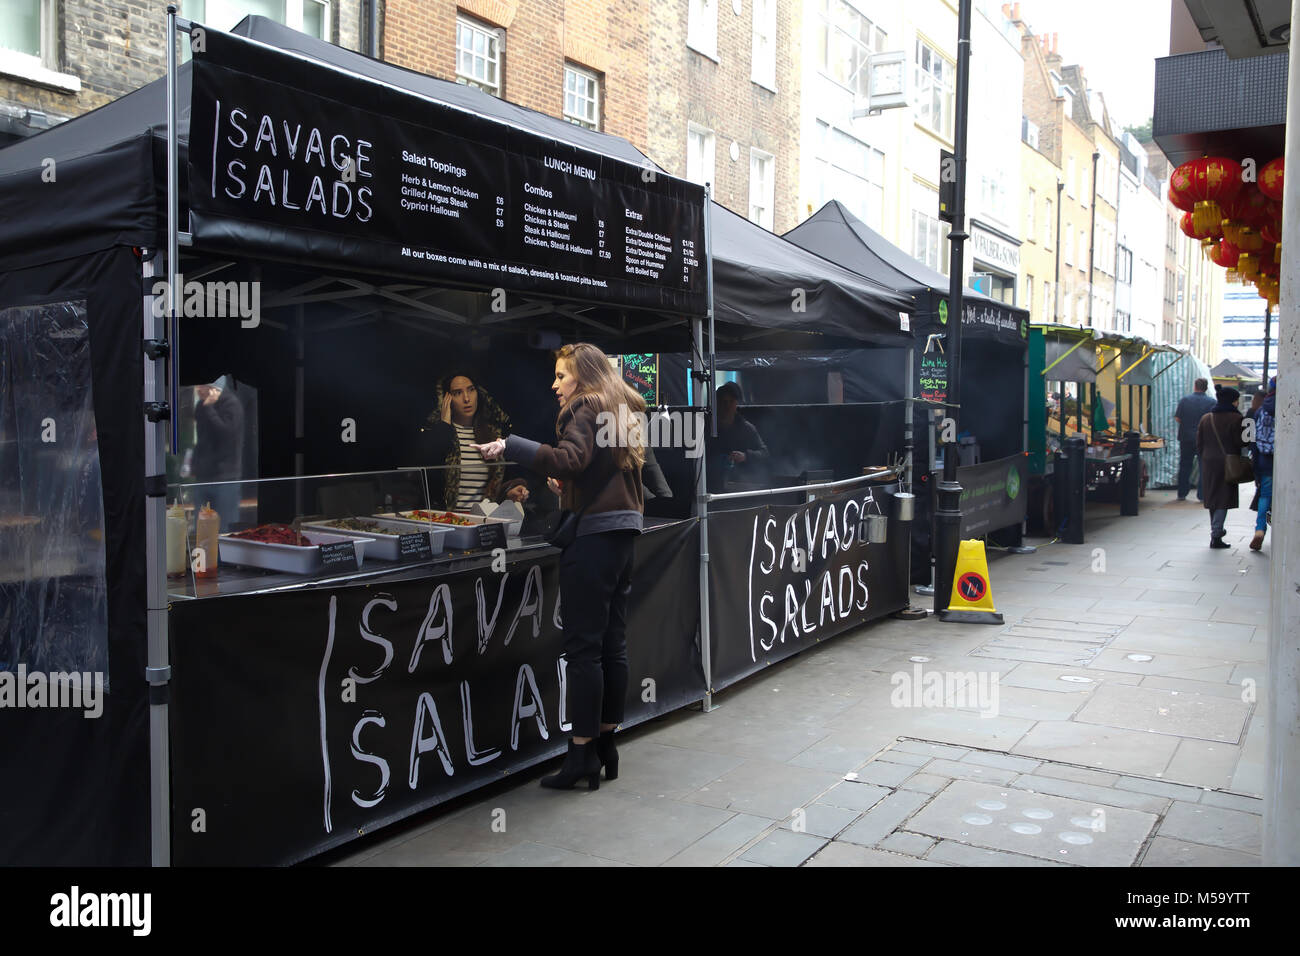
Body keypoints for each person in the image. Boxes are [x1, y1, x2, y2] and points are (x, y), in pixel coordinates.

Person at [477, 343, 645, 791]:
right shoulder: (619, 407)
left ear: (583, 377)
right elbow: (593, 469)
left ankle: (581, 754)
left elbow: (571, 457)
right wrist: (565, 482)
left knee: (584, 650)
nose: (554, 385)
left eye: (560, 376)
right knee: (612, 643)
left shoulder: (585, 407)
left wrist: (509, 444)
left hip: (593, 541)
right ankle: (606, 745)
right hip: (623, 535)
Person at [407, 372, 529, 510]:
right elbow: (426, 471)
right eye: (458, 393)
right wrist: (444, 425)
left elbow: (495, 487)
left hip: (482, 523)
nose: (466, 398)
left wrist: (509, 492)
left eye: (471, 390)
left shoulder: (492, 435)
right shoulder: (439, 434)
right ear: (447, 399)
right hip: (446, 521)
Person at [192, 376, 244, 530]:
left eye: (203, 385)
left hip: (225, 478)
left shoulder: (231, 405)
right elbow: (201, 439)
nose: (198, 389)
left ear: (214, 388)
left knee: (224, 528)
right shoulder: (201, 406)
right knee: (202, 528)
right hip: (204, 476)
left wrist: (209, 409)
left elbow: (227, 435)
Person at [1196, 385, 1244, 549]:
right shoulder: (1237, 419)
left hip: (1208, 462)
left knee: (1213, 497)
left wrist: (1205, 457)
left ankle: (1216, 532)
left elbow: (1199, 443)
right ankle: (1216, 534)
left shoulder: (1206, 418)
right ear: (1232, 401)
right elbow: (1242, 442)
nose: (1238, 403)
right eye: (1237, 400)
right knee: (1223, 498)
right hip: (1228, 462)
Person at [707, 381, 770, 493]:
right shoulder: (706, 427)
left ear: (736, 404)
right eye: (723, 402)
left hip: (738, 487)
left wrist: (745, 456)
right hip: (710, 488)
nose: (727, 406)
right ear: (716, 404)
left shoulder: (746, 428)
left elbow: (764, 453)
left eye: (731, 402)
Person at [1174, 378, 1216, 501]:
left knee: (1185, 464)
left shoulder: (1185, 400)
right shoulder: (1212, 402)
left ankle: (1182, 493)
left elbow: (1178, 418)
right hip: (1204, 438)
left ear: (1195, 386)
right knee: (1203, 466)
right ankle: (1202, 495)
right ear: (1206, 388)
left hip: (1186, 437)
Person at [1249, 377, 1277, 551]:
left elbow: (1254, 438)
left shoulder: (1261, 410)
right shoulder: (1292, 405)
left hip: (1266, 460)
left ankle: (1260, 529)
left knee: (1265, 496)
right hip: (1289, 462)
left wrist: (1255, 463)